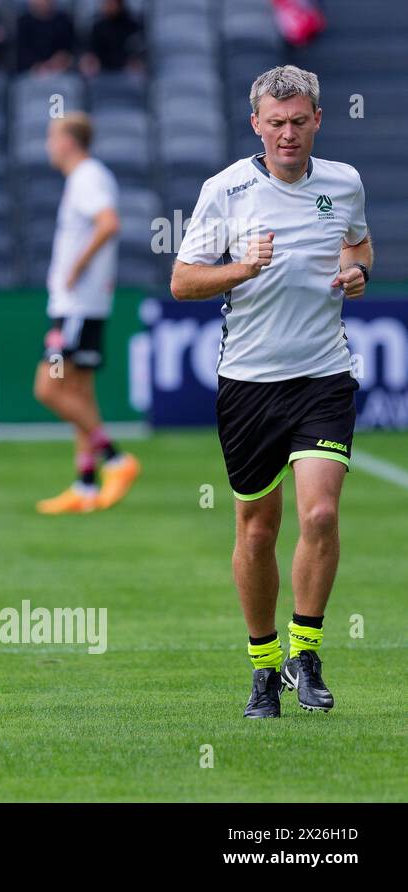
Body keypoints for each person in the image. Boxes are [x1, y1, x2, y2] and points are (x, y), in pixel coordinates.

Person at [171, 65, 371, 719]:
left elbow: (361, 247)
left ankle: (305, 655)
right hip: (250, 385)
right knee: (257, 530)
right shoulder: (225, 190)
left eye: (298, 121)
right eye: (275, 123)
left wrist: (355, 270)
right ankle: (263, 670)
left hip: (324, 375)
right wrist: (242, 267)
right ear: (256, 124)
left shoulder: (343, 183)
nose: (287, 134)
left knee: (319, 515)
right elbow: (182, 282)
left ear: (317, 120)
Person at [33, 113, 141, 514]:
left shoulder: (87, 177)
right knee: (79, 392)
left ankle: (115, 458)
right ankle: (86, 486)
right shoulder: (87, 178)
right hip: (81, 304)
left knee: (48, 388)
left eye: (52, 136)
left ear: (68, 141)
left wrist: (77, 267)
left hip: (76, 306)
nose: (48, 145)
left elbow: (108, 224)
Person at [16, 0, 75, 75]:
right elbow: (19, 54)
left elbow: (70, 51)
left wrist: (62, 60)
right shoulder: (22, 22)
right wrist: (38, 66)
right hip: (29, 74)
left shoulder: (64, 21)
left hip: (60, 73)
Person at [80, 0, 144, 77]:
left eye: (112, 1)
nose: (108, 5)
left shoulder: (132, 26)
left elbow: (136, 54)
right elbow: (89, 53)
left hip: (126, 75)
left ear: (120, 3)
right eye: (107, 0)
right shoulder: (97, 26)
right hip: (101, 74)